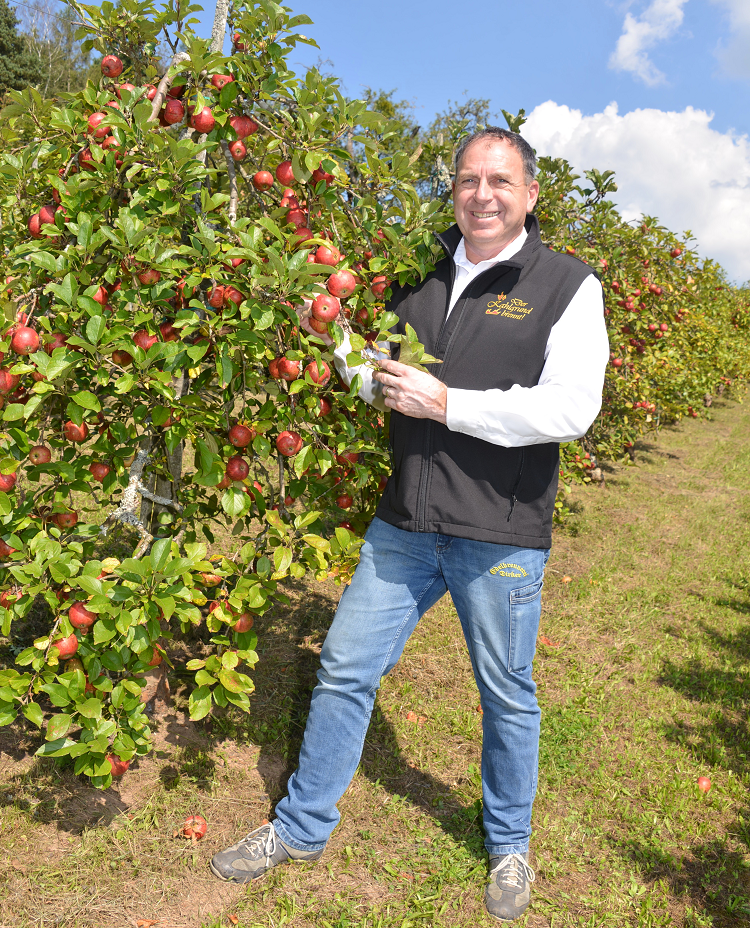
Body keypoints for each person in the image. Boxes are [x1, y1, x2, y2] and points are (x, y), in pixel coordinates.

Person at [210, 127, 610, 921]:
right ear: (453, 192)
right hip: (404, 524)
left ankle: (508, 846)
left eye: (500, 180)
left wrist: (450, 404)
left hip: (498, 532)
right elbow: (376, 375)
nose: (483, 194)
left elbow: (573, 407)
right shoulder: (414, 276)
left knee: (506, 693)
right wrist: (325, 328)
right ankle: (300, 827)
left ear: (530, 194)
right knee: (345, 671)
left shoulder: (566, 285)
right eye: (468, 180)